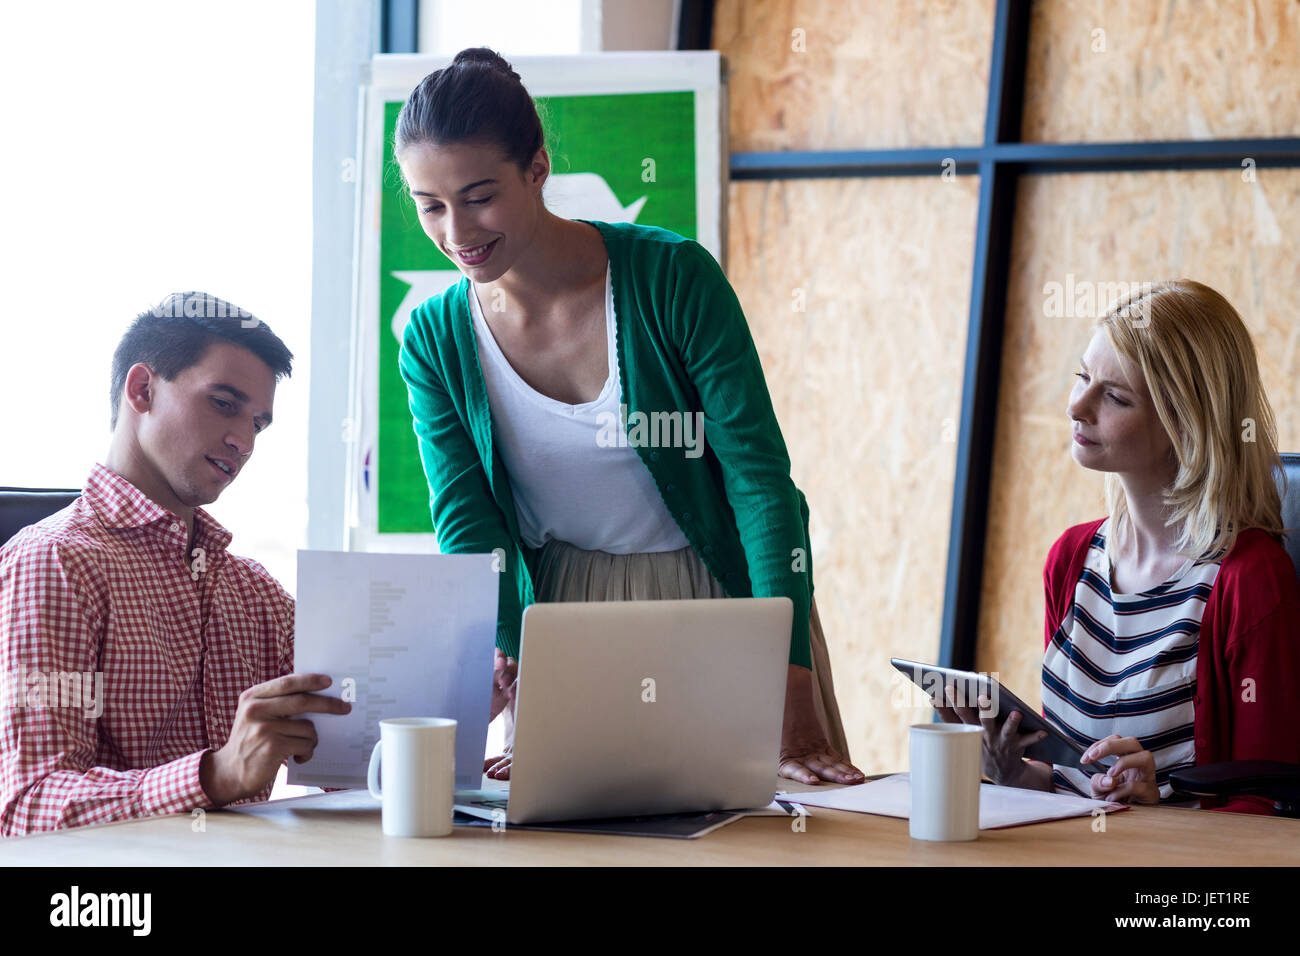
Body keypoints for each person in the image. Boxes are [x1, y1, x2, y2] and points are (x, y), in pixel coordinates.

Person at [394, 48, 862, 786]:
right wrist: (517, 674)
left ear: (538, 169)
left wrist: (789, 674)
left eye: (479, 195)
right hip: (566, 626)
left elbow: (760, 484)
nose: (456, 231)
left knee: (767, 837)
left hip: (725, 606)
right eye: (429, 205)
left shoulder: (672, 278)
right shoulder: (433, 339)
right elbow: (469, 527)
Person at [938, 280, 1300, 814]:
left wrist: (1163, 805)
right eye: (1083, 377)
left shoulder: (1249, 581)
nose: (1077, 407)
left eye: (1114, 397)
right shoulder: (1071, 559)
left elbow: (1270, 811)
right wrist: (1014, 771)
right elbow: (1075, 782)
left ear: (1186, 425)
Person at [0, 292, 350, 836]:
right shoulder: (55, 564)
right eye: (224, 403)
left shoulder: (254, 592)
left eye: (259, 423)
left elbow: (349, 757)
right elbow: (30, 803)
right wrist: (215, 774)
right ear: (142, 389)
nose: (243, 441)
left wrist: (455, 700)